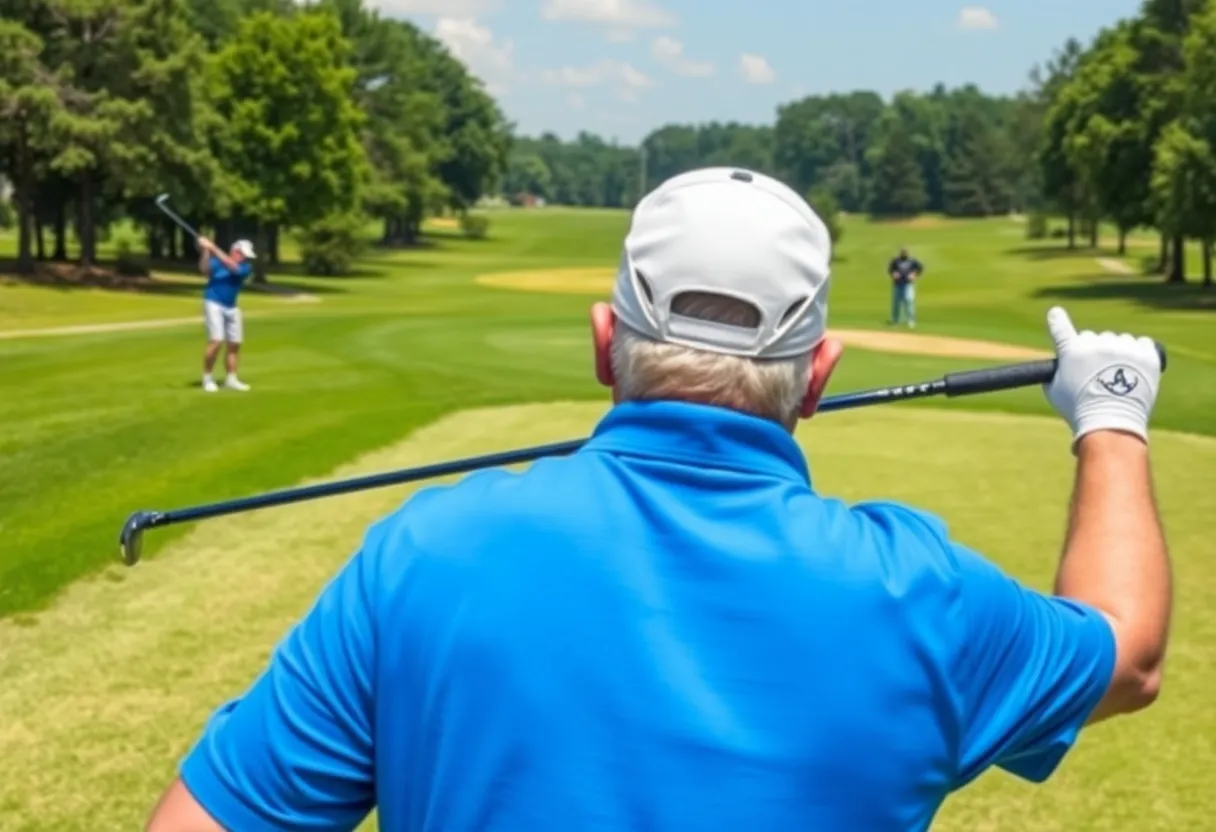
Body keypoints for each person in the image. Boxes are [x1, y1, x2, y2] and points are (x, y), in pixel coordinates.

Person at [146, 168, 1171, 832]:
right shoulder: (920, 588)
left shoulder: (426, 551)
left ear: (604, 342)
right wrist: (1110, 418)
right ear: (817, 374)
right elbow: (1126, 656)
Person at [199, 237, 256, 393]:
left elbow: (231, 266)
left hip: (231, 307)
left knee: (234, 343)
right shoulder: (217, 262)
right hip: (213, 302)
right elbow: (204, 270)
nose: (245, 258)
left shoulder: (245, 268)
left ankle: (231, 379)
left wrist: (213, 247)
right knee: (216, 340)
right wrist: (206, 250)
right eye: (243, 254)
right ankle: (207, 378)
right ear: (234, 251)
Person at [888, 246, 923, 328]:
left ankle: (911, 320)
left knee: (908, 301)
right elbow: (890, 269)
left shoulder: (912, 261)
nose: (904, 253)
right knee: (896, 303)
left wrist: (914, 274)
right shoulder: (896, 261)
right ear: (900, 252)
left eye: (905, 252)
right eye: (903, 252)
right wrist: (894, 273)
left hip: (908, 284)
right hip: (897, 284)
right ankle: (895, 320)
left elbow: (920, 268)